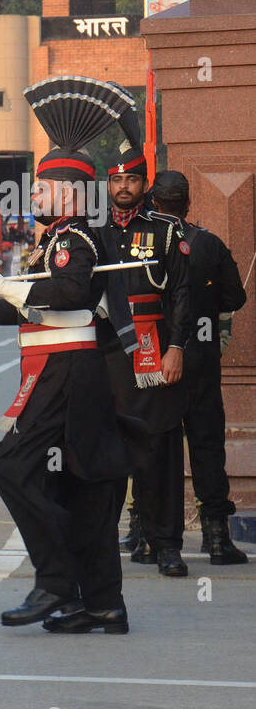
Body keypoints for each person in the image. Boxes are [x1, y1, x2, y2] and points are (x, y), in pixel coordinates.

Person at [0, 75, 132, 633]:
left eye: (41, 188)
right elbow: (28, 310)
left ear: (67, 192)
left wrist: (9, 286)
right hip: (62, 369)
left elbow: (66, 296)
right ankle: (102, 602)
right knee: (78, 485)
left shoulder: (72, 241)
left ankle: (54, 579)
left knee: (12, 466)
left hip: (65, 371)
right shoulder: (59, 240)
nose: (33, 196)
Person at [96, 141, 192, 577]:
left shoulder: (165, 231)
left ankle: (167, 544)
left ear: (144, 185)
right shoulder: (94, 235)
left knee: (160, 448)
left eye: (131, 179)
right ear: (108, 185)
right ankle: (120, 534)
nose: (123, 187)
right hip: (110, 356)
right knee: (112, 452)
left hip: (156, 352)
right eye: (116, 180)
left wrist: (177, 348)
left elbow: (182, 296)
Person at [151, 171, 247, 564]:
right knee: (208, 446)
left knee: (160, 449)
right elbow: (236, 298)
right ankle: (217, 537)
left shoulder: (144, 244)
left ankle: (153, 536)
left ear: (154, 203)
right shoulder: (208, 243)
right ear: (188, 204)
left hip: (154, 360)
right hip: (202, 358)